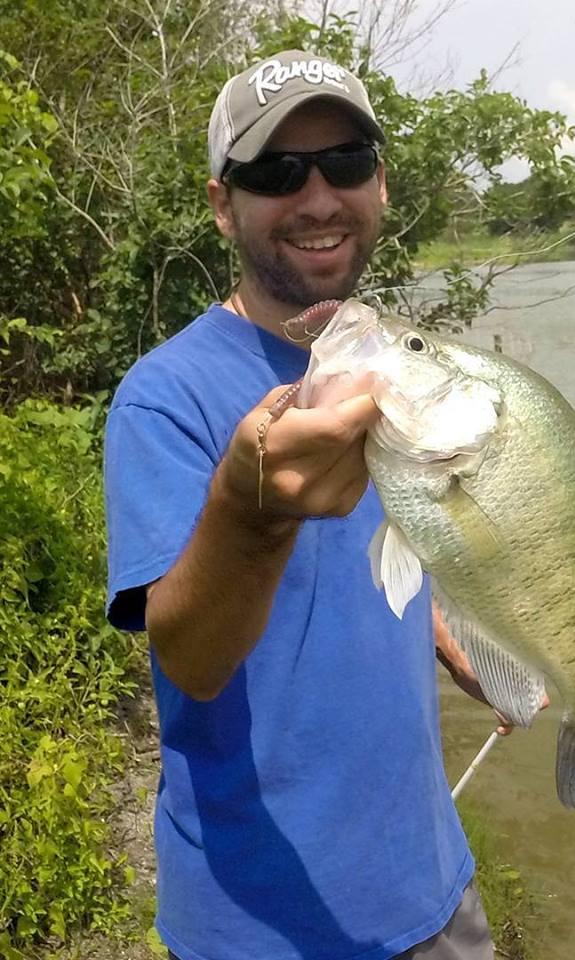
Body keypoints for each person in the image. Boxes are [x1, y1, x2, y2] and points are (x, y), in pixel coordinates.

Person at [104, 50, 503, 960]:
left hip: (433, 892)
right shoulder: (166, 397)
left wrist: (450, 623)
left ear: (382, 187)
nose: (320, 198)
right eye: (278, 172)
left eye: (347, 164)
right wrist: (253, 514)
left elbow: (381, 555)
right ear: (221, 205)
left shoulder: (394, 364)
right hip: (258, 927)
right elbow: (193, 660)